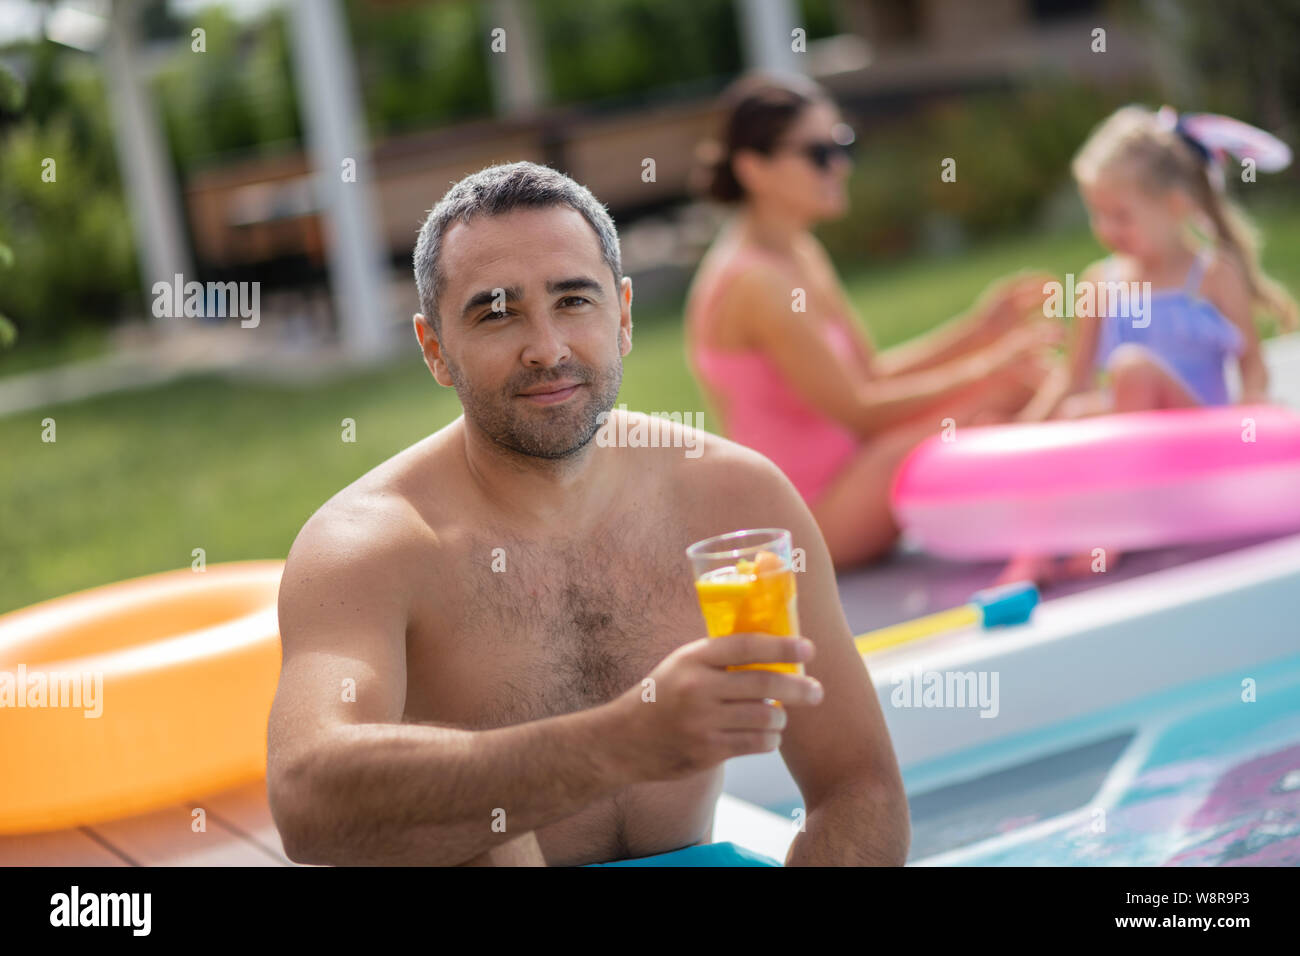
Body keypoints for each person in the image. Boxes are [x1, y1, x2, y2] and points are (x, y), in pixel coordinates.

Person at [266, 161, 910, 867]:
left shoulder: (737, 501)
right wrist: (619, 743)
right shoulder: (372, 545)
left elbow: (859, 787)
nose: (547, 349)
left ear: (624, 316)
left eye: (574, 301)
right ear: (434, 350)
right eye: (495, 312)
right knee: (487, 831)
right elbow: (306, 798)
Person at [685, 73, 1059, 569]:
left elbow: (870, 374)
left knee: (1013, 389)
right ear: (755, 168)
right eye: (819, 154)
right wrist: (989, 369)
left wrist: (980, 331)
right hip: (811, 519)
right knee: (1009, 391)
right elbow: (859, 411)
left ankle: (1043, 537)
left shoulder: (798, 250)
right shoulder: (757, 283)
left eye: (843, 145)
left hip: (852, 473)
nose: (839, 165)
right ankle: (1058, 539)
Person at [1005, 104, 1298, 584]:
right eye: (1097, 214)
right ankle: (1030, 558)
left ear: (1177, 205)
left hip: (1197, 440)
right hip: (1131, 438)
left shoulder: (1213, 276)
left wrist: (1251, 414)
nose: (1108, 229)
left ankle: (1112, 526)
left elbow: (1253, 366)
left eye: (1122, 215)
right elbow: (1073, 379)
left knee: (1132, 368)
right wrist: (1024, 430)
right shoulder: (1100, 283)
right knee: (1076, 413)